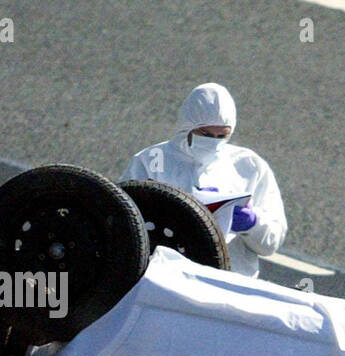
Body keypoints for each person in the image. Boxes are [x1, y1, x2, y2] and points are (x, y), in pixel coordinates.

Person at [121, 83, 287, 277]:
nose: (213, 141)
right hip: (162, 279)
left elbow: (271, 243)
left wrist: (253, 224)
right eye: (206, 134)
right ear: (187, 127)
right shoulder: (152, 160)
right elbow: (123, 218)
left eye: (222, 135)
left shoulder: (250, 166)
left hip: (227, 281)